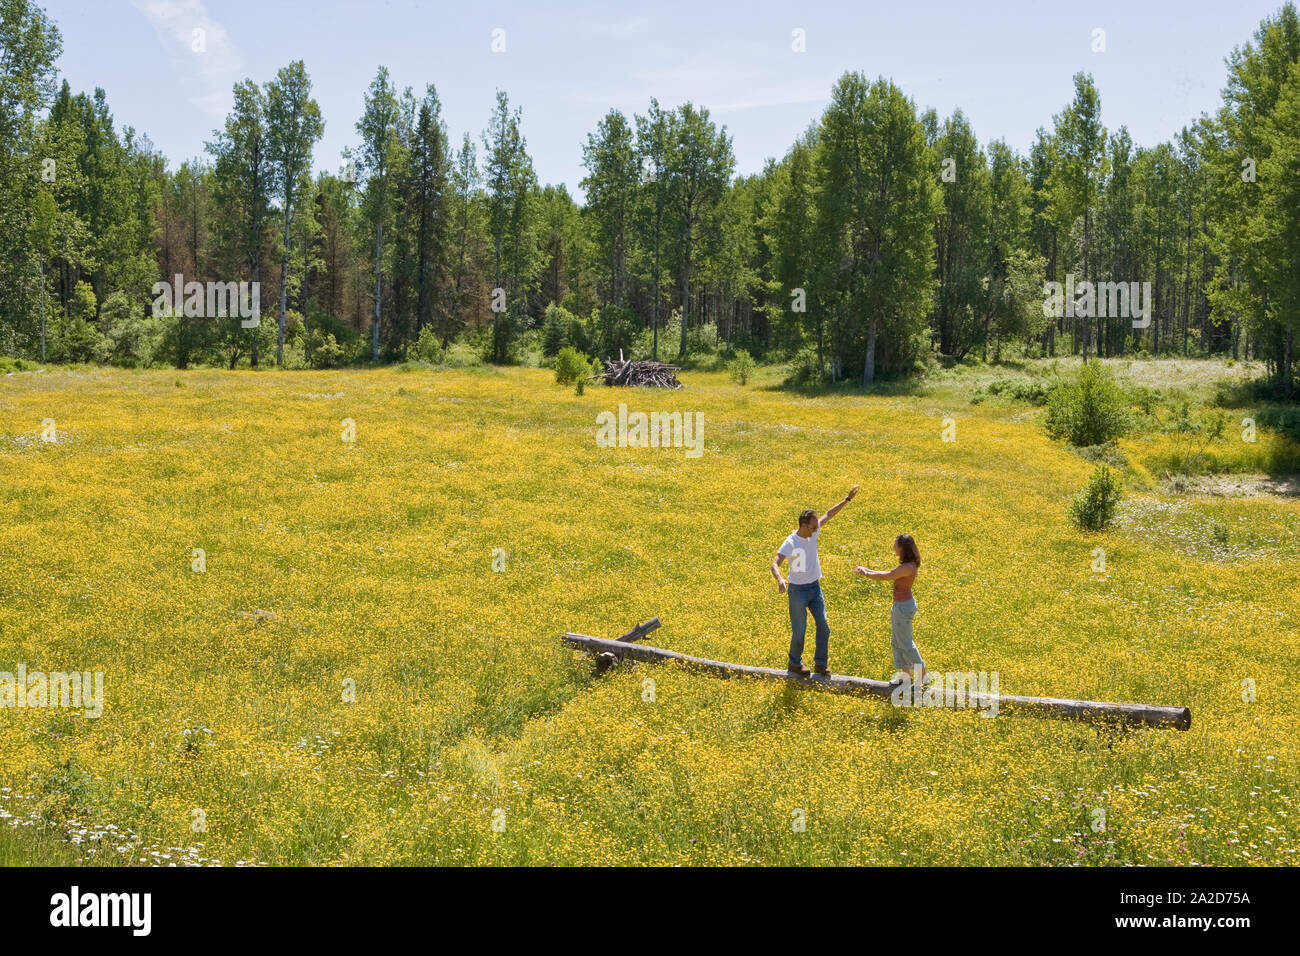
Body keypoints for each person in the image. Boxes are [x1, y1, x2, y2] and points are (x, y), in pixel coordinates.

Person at [771, 486, 858, 677]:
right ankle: (794, 664)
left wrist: (847, 499)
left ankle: (820, 664)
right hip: (797, 591)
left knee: (824, 626)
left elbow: (829, 514)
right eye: (813, 527)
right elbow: (775, 563)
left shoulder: (813, 532)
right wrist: (779, 579)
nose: (816, 529)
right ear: (803, 526)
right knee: (800, 631)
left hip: (814, 588)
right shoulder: (791, 542)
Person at [854, 534, 927, 687]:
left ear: (902, 548)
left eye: (895, 544)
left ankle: (923, 677)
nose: (893, 547)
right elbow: (887, 573)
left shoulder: (907, 567)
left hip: (903, 608)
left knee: (905, 643)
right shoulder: (907, 565)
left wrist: (865, 573)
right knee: (897, 642)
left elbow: (887, 576)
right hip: (900, 606)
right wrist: (865, 569)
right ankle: (905, 676)